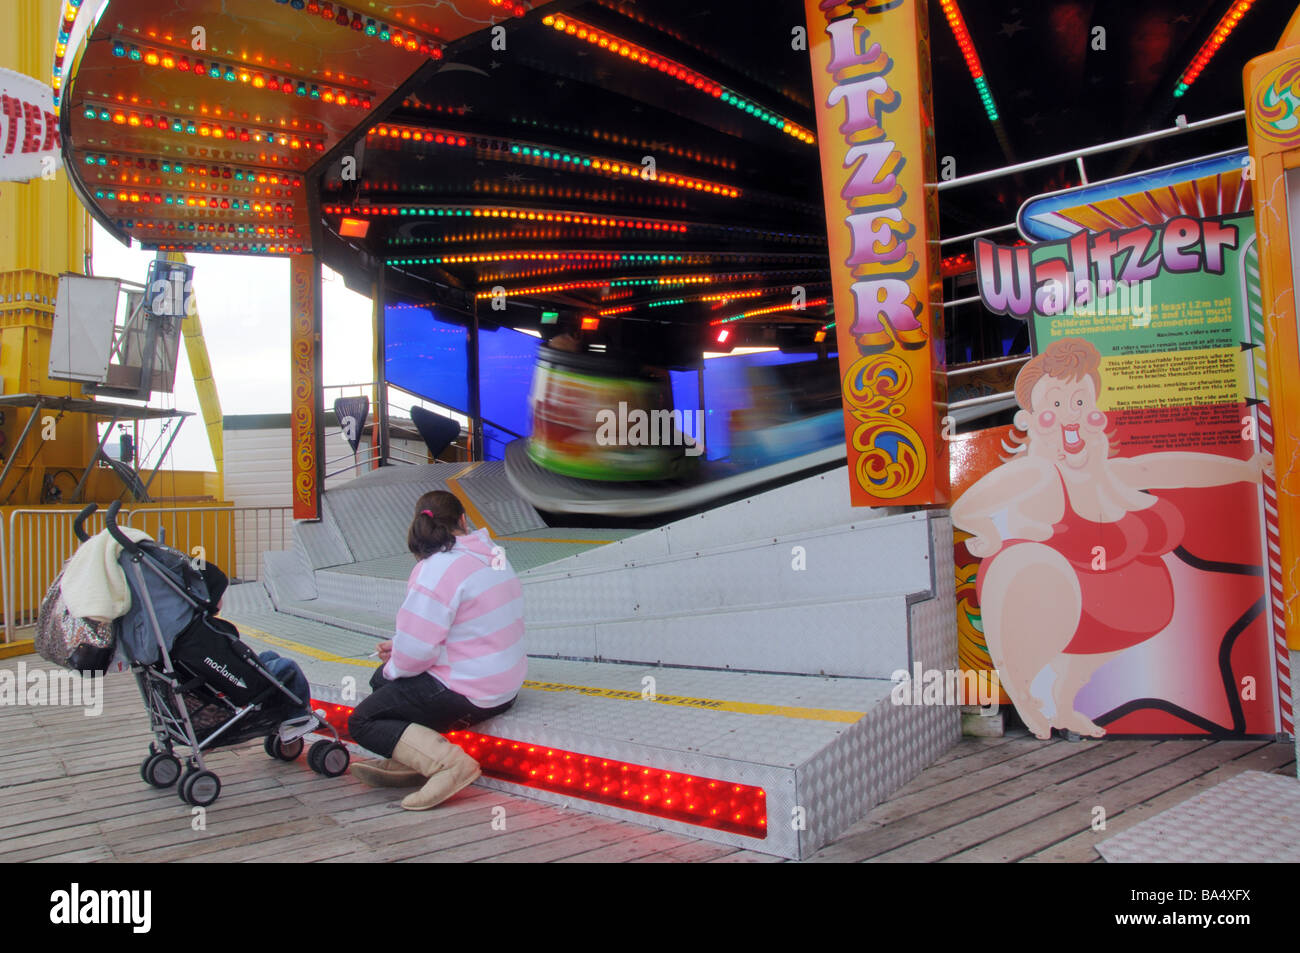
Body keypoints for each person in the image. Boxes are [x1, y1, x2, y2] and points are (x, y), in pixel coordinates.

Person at [951, 338, 1272, 739]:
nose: (1071, 416)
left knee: (1078, 669)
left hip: (1112, 612)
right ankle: (1026, 695)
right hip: (1058, 602)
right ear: (1029, 420)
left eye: (1080, 403)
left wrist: (1243, 470)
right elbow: (964, 509)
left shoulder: (1110, 474)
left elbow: (1168, 467)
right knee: (1026, 568)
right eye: (1054, 405)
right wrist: (993, 535)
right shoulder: (1037, 473)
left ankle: (1064, 708)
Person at [347, 490, 526, 810]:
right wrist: (403, 648)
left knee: (364, 719)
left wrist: (396, 660)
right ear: (462, 520)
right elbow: (470, 625)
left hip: (471, 692)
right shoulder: (494, 553)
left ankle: (449, 765)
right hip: (507, 687)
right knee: (384, 684)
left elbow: (416, 654)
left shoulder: (436, 568)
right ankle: (415, 760)